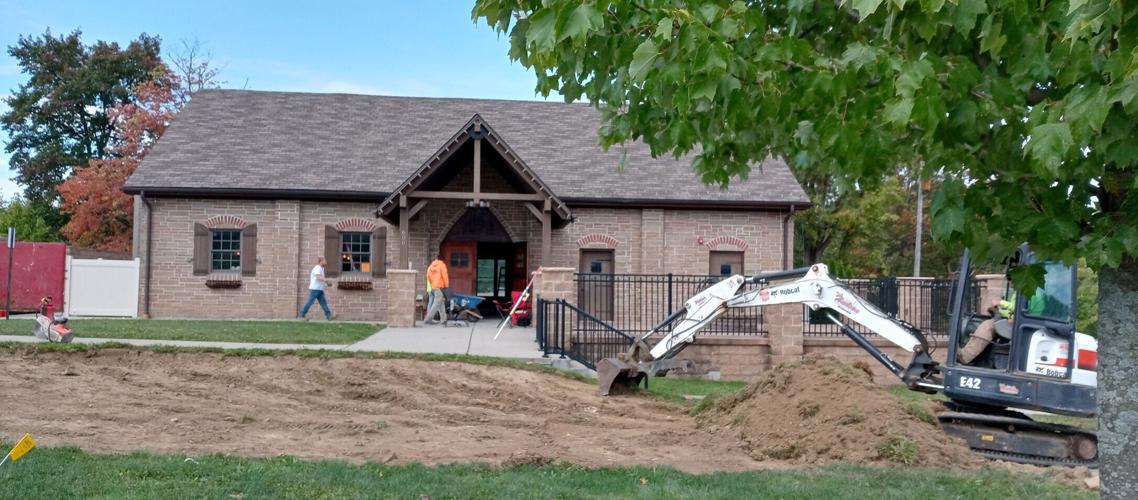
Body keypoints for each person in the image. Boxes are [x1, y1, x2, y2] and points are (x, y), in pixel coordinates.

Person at [299, 256, 334, 321]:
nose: (326, 262)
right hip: (315, 289)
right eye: (325, 261)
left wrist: (326, 284)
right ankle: (301, 314)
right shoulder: (317, 268)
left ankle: (329, 315)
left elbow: (320, 279)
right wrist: (327, 281)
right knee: (310, 302)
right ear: (321, 261)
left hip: (319, 289)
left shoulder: (321, 268)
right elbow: (318, 277)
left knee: (323, 303)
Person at [425, 253, 449, 324]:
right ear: (443, 259)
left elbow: (428, 276)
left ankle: (443, 319)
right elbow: (445, 277)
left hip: (433, 287)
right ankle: (428, 319)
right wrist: (446, 286)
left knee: (440, 303)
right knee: (436, 304)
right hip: (440, 287)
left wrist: (432, 285)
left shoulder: (431, 266)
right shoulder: (442, 265)